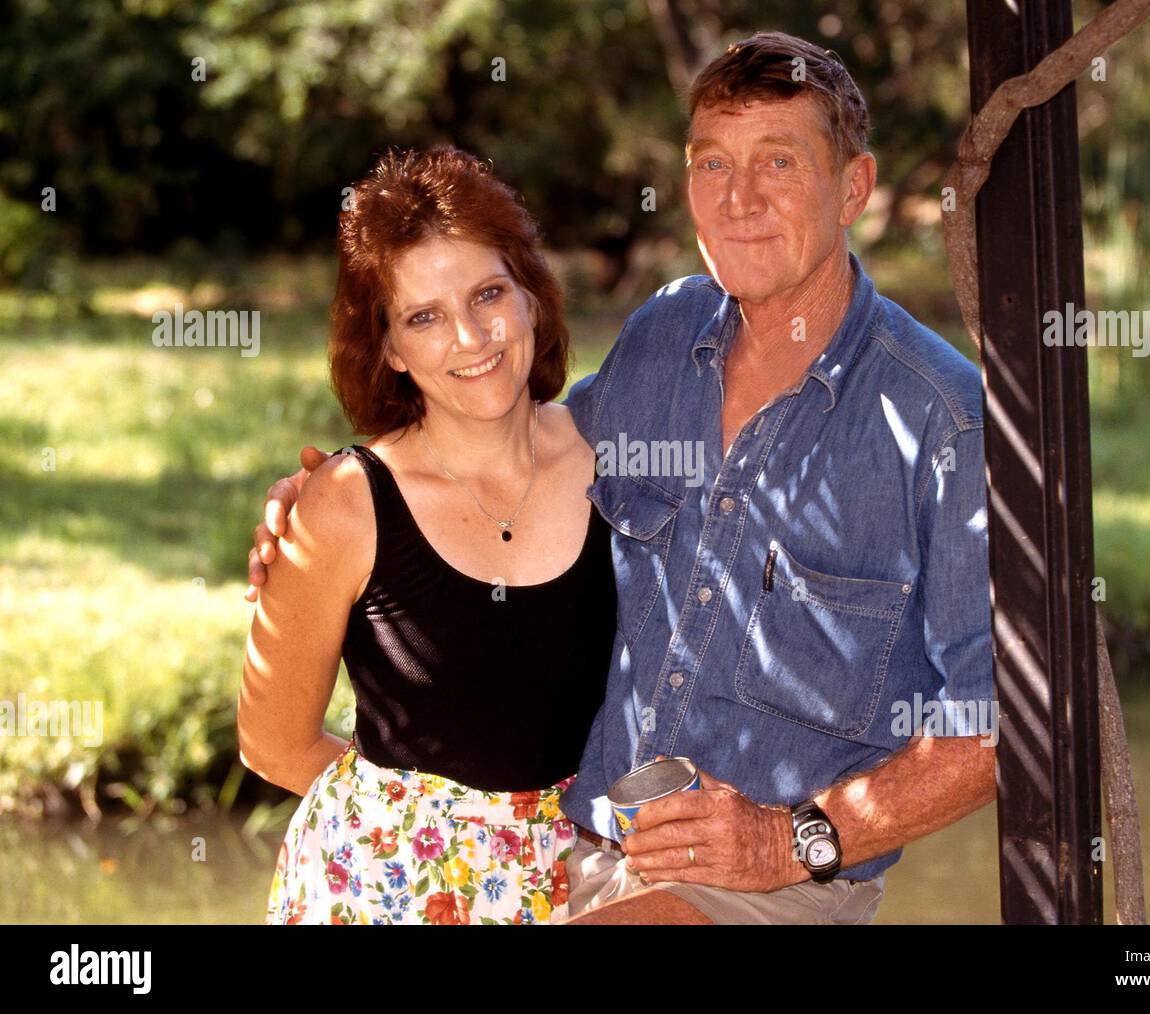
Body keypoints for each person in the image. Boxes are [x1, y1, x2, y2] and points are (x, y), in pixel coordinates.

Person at [249, 32, 997, 925]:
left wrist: (789, 839)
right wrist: (345, 493)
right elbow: (510, 435)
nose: (739, 198)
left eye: (779, 162)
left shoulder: (942, 421)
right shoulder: (667, 338)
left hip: (766, 885)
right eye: (712, 163)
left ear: (855, 188)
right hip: (570, 858)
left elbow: (991, 732)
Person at [238, 146, 616, 925]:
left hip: (582, 890)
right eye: (424, 318)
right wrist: (426, 824)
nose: (471, 338)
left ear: (532, 300)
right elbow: (273, 742)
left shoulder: (616, 461)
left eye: (488, 295)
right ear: (388, 349)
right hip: (384, 891)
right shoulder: (345, 505)